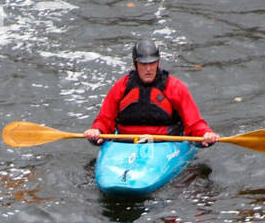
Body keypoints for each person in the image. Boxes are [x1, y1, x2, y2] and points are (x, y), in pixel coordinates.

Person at [85, 40, 220, 147]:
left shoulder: (175, 87)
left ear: (158, 63)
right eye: (143, 64)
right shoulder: (121, 87)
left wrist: (205, 134)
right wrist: (97, 130)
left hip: (166, 143)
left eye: (152, 63)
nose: (148, 69)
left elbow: (194, 123)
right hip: (126, 143)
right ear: (135, 65)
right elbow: (105, 119)